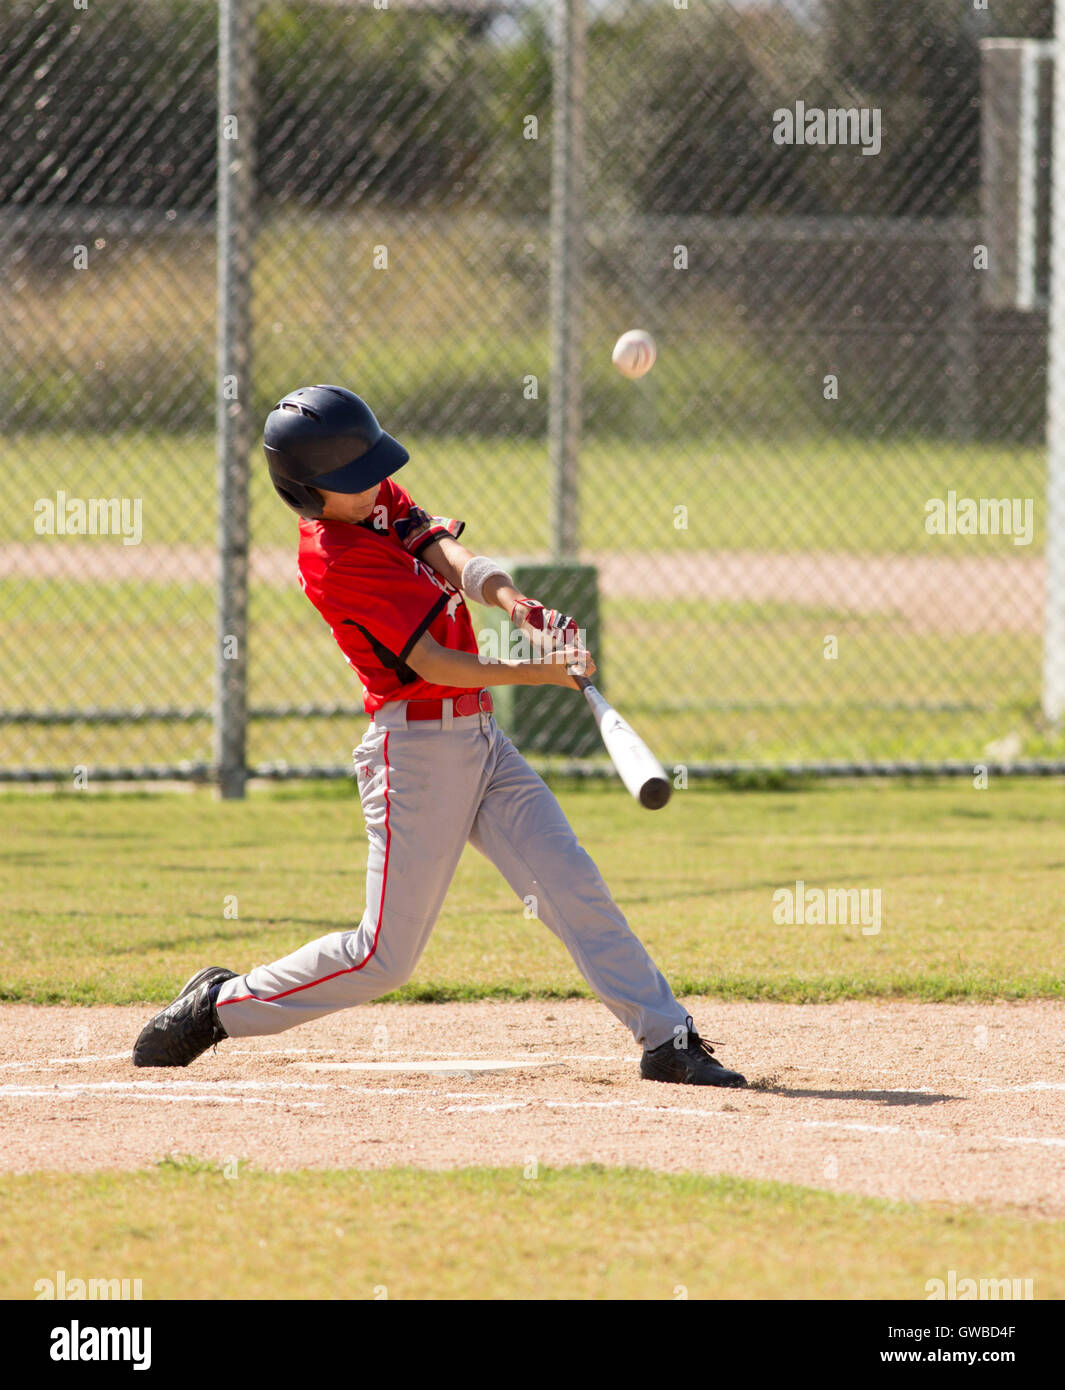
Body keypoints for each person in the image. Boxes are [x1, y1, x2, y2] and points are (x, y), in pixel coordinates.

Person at [133, 385, 746, 1087]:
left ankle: (666, 1038)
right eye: (349, 481)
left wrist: (516, 604)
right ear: (306, 492)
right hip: (416, 756)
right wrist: (540, 672)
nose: (370, 487)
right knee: (383, 958)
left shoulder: (369, 493)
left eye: (370, 471)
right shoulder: (336, 558)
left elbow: (442, 547)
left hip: (480, 741)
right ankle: (219, 1007)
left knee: (571, 884)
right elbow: (432, 663)